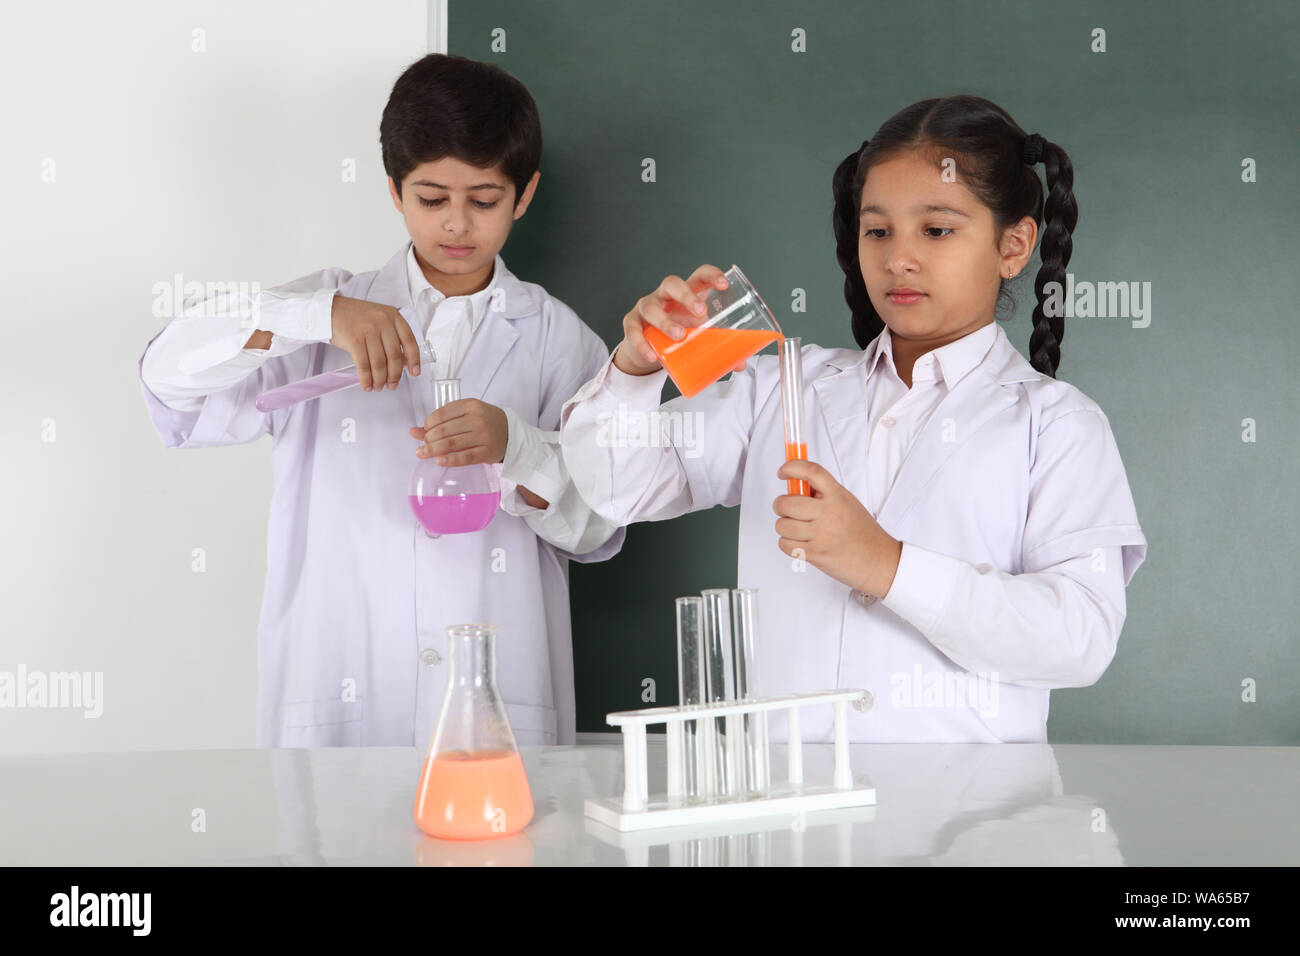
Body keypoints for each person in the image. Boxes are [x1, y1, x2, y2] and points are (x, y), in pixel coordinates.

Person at [559, 95, 1147, 743]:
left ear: (1014, 245)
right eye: (877, 230)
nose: (898, 258)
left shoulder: (1057, 424)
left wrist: (888, 565)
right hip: (792, 816)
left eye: (937, 229)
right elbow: (618, 485)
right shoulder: (782, 385)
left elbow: (1079, 639)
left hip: (973, 824)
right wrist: (638, 369)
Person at [138, 54, 624, 748]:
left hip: (499, 715)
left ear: (524, 194)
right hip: (339, 694)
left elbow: (601, 527)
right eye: (432, 198)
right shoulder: (319, 317)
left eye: (484, 200)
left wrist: (517, 446)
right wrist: (316, 315)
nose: (457, 225)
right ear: (395, 190)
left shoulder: (557, 341)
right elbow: (168, 374)